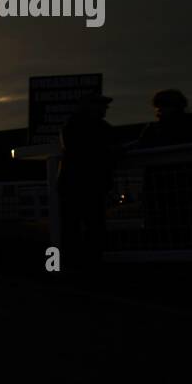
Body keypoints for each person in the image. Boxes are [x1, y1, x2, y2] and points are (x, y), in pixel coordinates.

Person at [134, 89, 192, 246]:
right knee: (184, 225)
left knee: (174, 225)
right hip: (181, 184)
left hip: (171, 184)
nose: (160, 110)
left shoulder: (155, 129)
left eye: (164, 106)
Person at [57, 94, 118, 272]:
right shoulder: (84, 126)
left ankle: (76, 266)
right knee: (90, 226)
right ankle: (87, 266)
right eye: (101, 106)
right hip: (85, 184)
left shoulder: (73, 125)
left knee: (75, 227)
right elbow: (86, 150)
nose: (105, 109)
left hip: (77, 184)